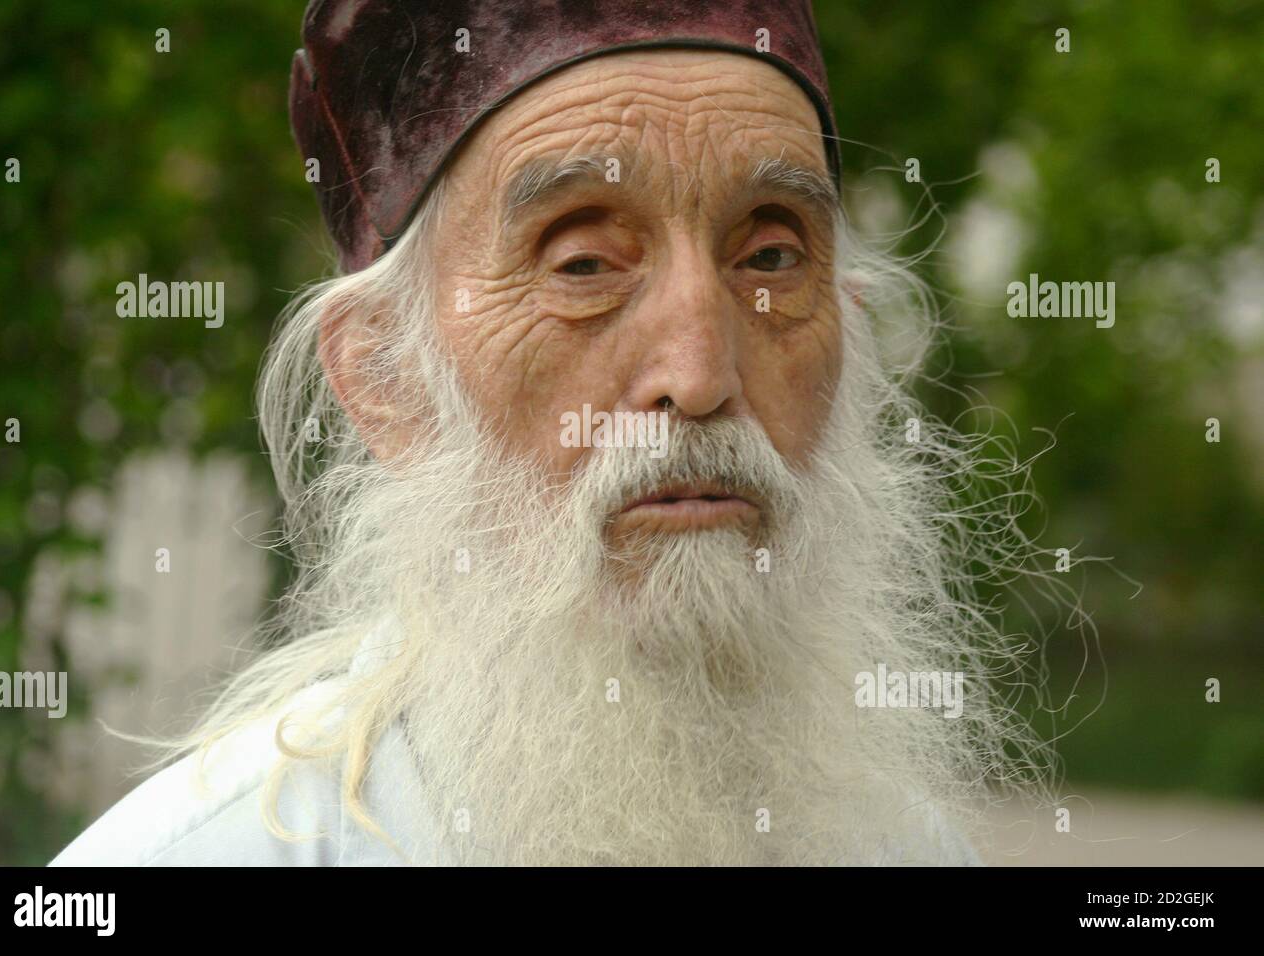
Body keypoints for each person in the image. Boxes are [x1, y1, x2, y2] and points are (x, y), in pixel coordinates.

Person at [53, 0, 1047, 867]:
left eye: (772, 253)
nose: (700, 376)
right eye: (582, 264)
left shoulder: (904, 848)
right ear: (385, 377)